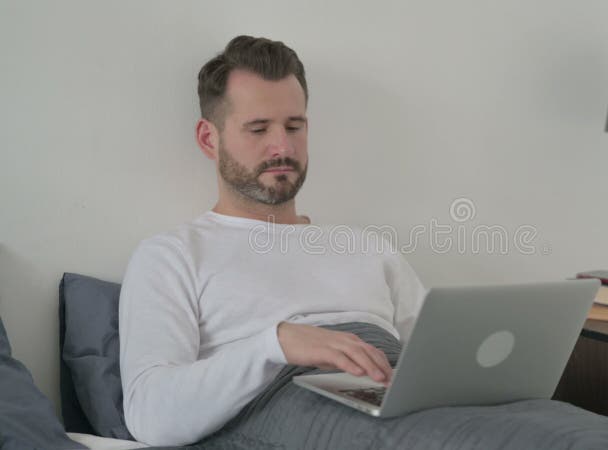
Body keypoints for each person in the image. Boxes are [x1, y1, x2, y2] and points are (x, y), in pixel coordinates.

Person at [118, 35, 427, 446]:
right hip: (296, 410)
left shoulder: (367, 247)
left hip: (399, 400)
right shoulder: (172, 256)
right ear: (210, 139)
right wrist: (275, 344)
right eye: (258, 128)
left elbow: (438, 358)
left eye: (294, 126)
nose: (282, 146)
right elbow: (150, 415)